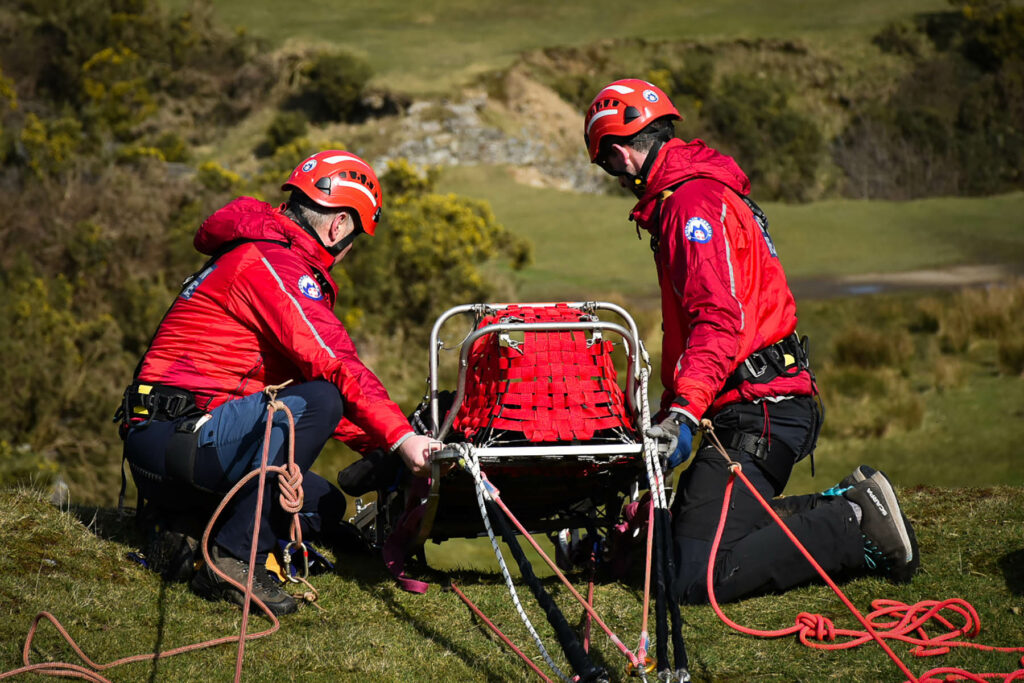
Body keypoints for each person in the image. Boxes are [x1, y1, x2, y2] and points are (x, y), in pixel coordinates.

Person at [583, 79, 919, 604]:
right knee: (674, 539)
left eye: (604, 162)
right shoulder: (703, 191)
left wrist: (684, 415)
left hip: (756, 413)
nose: (612, 173)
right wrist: (677, 407)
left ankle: (852, 524)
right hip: (757, 403)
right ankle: (853, 502)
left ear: (619, 151)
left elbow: (719, 320)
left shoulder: (689, 205)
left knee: (694, 575)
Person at [116, 150, 440, 615]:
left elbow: (282, 383)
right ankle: (233, 558)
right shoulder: (272, 263)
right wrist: (402, 438)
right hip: (175, 438)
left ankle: (182, 525)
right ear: (339, 227)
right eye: (356, 239)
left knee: (325, 503)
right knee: (324, 398)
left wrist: (381, 450)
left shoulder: (265, 254)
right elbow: (333, 367)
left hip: (183, 438)